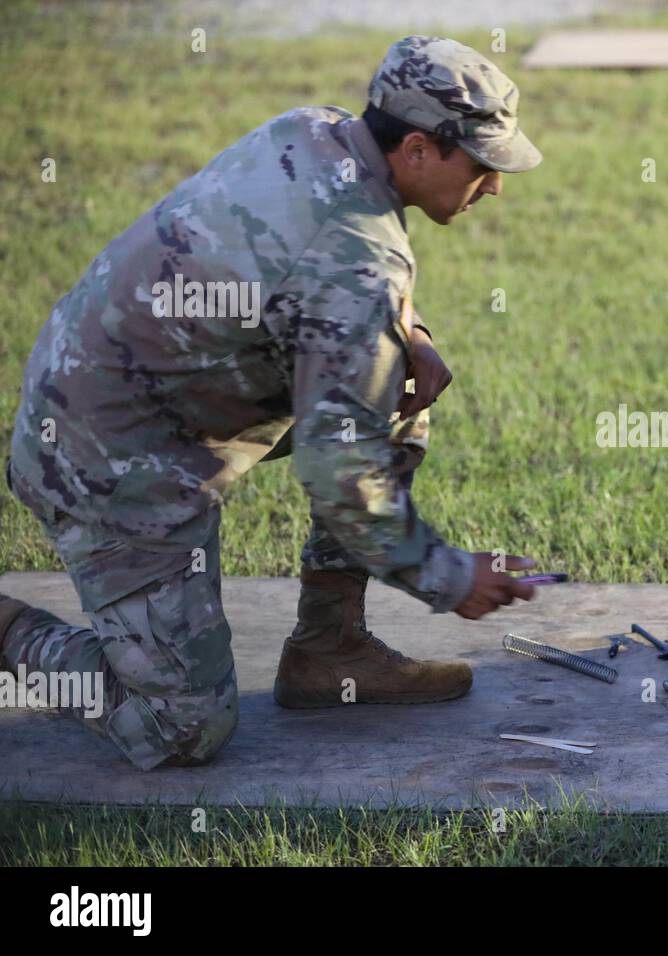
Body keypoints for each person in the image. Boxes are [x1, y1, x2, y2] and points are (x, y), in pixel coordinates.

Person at [1, 36, 541, 769]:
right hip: (104, 455)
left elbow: (306, 279)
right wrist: (450, 577)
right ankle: (11, 633)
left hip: (136, 396)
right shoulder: (356, 257)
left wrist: (409, 335)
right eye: (482, 163)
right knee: (182, 727)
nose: (495, 185)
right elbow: (341, 476)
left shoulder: (315, 132)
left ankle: (329, 650)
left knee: (399, 383)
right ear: (417, 148)